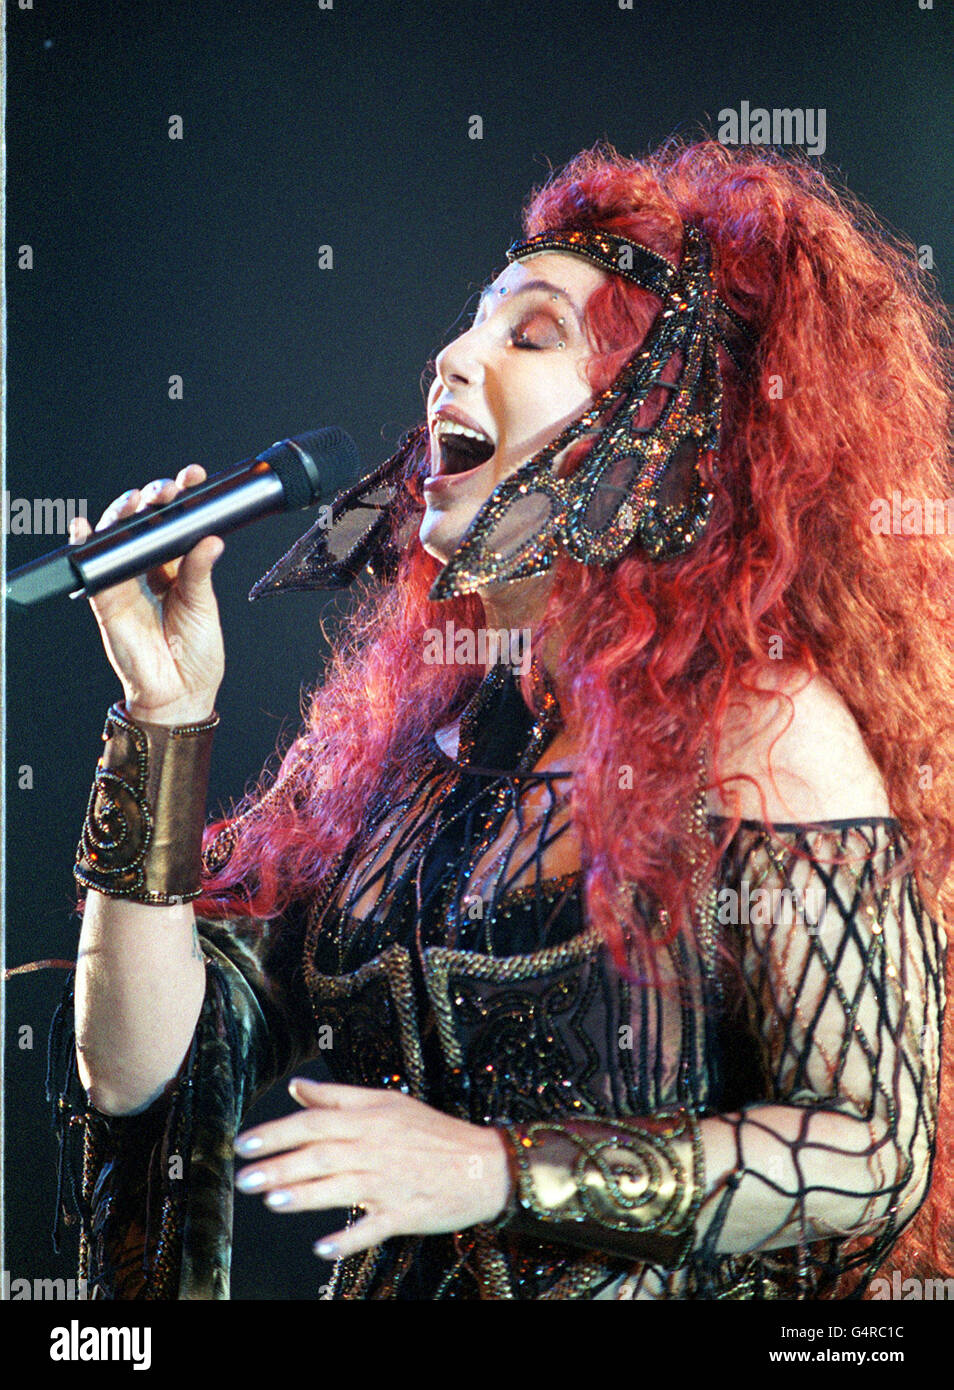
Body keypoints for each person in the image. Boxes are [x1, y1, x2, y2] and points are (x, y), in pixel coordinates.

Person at [55, 137, 953, 1301]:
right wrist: (163, 716)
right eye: (473, 323)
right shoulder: (395, 757)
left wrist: (497, 1169)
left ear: (656, 425)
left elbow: (875, 1146)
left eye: (529, 335)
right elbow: (142, 1071)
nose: (452, 357)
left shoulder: (764, 734)